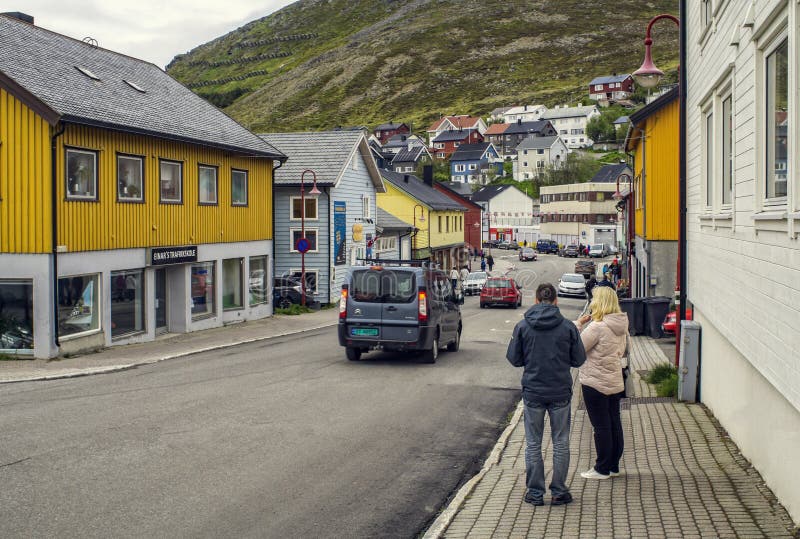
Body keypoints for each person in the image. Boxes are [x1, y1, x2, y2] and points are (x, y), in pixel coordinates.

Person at [506, 283, 586, 506]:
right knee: (561, 442)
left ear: (536, 300)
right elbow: (579, 359)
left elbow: (514, 359)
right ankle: (559, 491)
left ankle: (535, 493)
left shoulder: (523, 326)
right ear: (555, 301)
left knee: (533, 444)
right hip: (560, 391)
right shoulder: (567, 327)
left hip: (533, 392)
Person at [573, 286, 629, 480]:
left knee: (601, 426)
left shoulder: (597, 327)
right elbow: (625, 351)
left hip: (595, 382)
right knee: (614, 423)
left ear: (600, 302)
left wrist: (578, 325)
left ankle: (601, 468)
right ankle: (613, 466)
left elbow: (577, 348)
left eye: (594, 299)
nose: (592, 302)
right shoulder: (621, 325)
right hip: (614, 380)